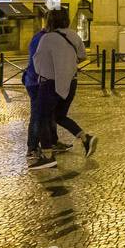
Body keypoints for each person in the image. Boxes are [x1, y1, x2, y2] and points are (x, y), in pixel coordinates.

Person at [29, 8, 98, 171]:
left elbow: (38, 62)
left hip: (50, 83)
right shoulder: (74, 36)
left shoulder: (47, 38)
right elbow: (82, 56)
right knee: (59, 115)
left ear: (50, 21)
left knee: (43, 117)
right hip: (71, 81)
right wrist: (67, 65)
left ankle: (47, 156)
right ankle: (85, 137)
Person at [24, 15, 74, 165]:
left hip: (47, 82)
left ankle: (52, 142)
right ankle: (32, 148)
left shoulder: (51, 38)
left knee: (50, 114)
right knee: (38, 116)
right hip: (37, 83)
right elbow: (36, 62)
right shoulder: (41, 38)